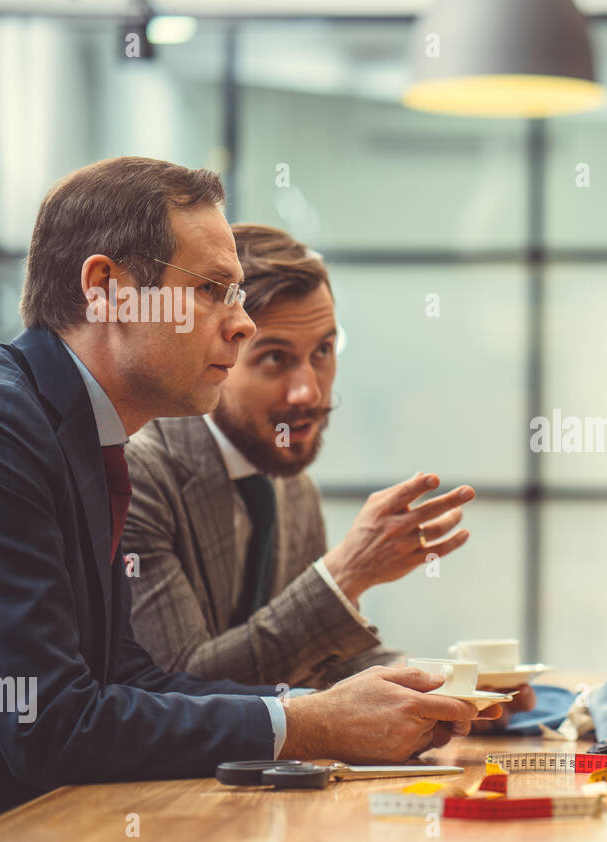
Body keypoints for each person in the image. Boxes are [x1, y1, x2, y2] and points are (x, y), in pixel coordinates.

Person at [0, 157, 482, 840]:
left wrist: (325, 707)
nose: (243, 323)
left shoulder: (78, 427)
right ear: (106, 289)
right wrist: (310, 723)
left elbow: (129, 678)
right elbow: (48, 724)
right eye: (214, 290)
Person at [123, 224, 534, 722]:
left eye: (322, 352)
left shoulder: (291, 488)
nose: (309, 393)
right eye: (276, 358)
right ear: (219, 351)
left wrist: (452, 691)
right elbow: (181, 689)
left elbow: (319, 664)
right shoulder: (139, 475)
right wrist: (343, 575)